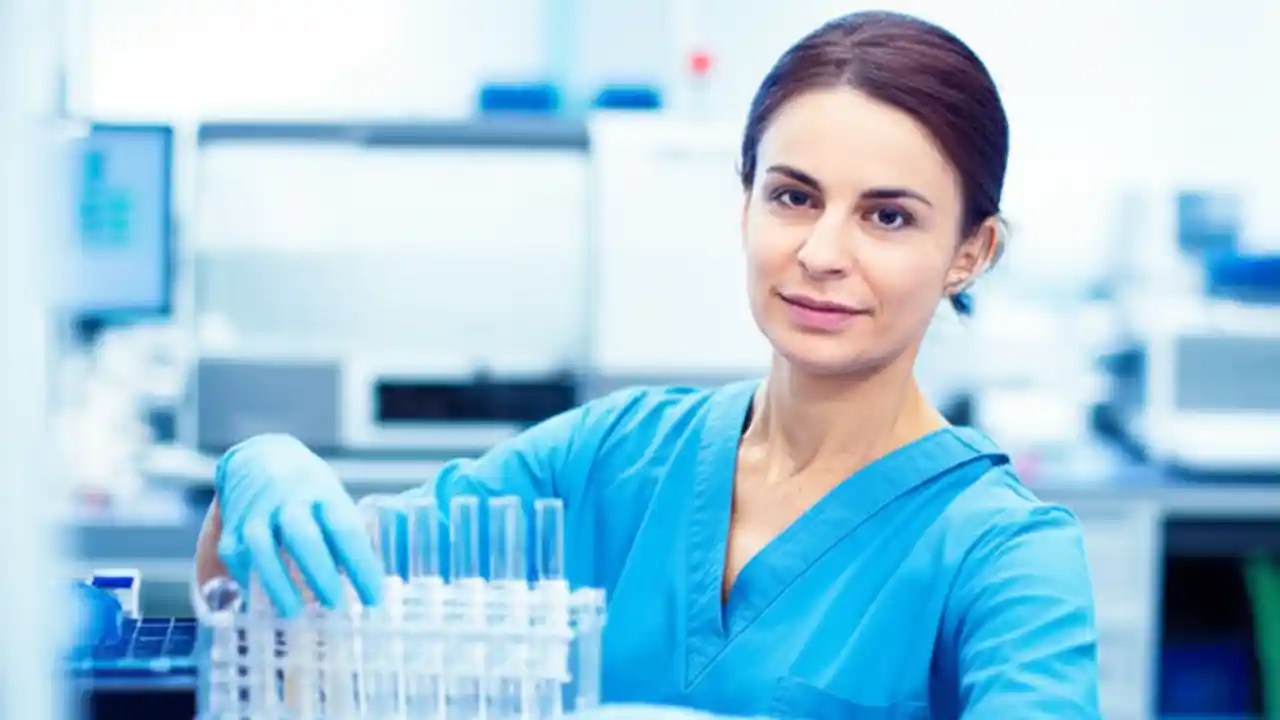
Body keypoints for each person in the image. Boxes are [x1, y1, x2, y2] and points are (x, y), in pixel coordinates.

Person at [195, 10, 1101, 718]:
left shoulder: (1003, 555)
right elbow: (276, 609)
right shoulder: (614, 457)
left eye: (888, 216)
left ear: (970, 252)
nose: (823, 251)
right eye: (793, 196)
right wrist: (258, 478)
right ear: (744, 204)